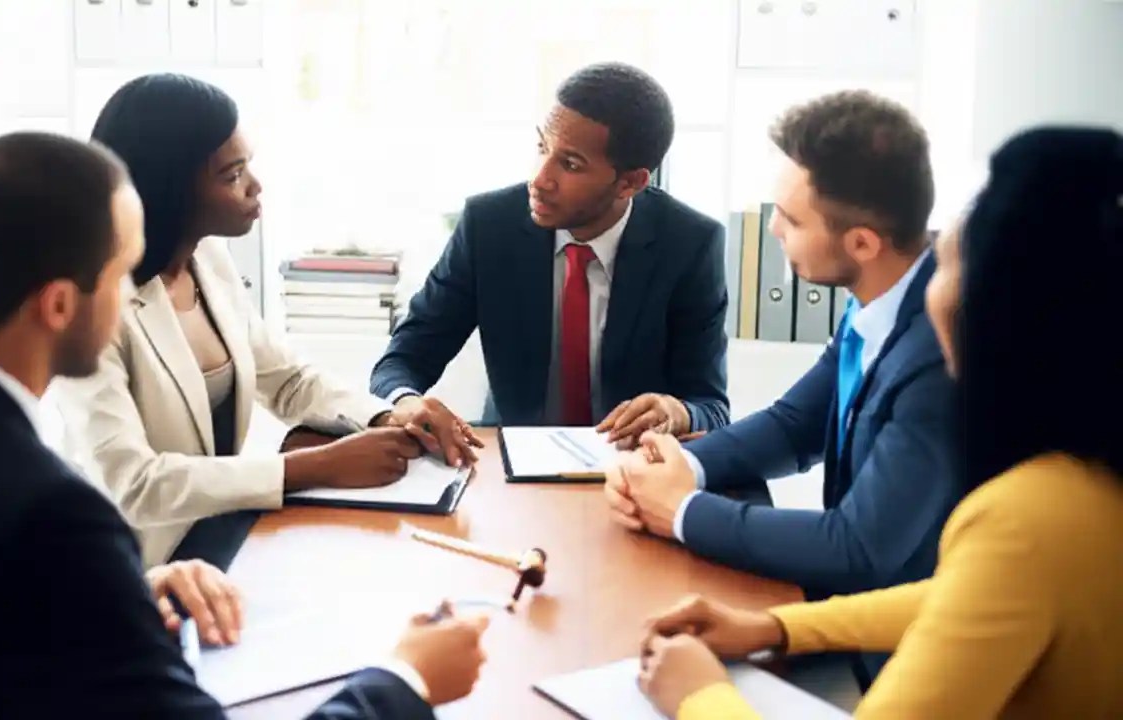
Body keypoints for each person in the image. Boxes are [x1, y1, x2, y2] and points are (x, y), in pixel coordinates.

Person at [0, 132, 490, 719]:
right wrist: (406, 678)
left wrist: (123, 591)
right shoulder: (55, 514)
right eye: (123, 272)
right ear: (62, 304)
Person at [635, 126, 1123, 719]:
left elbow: (897, 556)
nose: (929, 291)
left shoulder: (1027, 515)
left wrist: (699, 696)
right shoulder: (1084, 484)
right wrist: (776, 625)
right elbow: (962, 594)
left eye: (945, 267)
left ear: (1002, 314)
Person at [53, 73, 481, 570]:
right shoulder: (87, 304)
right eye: (232, 175)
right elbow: (132, 484)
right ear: (171, 188)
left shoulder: (206, 259)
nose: (256, 187)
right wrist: (313, 466)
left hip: (221, 535)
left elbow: (289, 380)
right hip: (136, 569)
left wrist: (387, 416)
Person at [605, 90, 958, 682]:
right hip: (849, 620)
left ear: (863, 243)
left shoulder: (939, 356)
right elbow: (796, 423)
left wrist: (683, 511)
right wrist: (678, 469)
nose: (772, 230)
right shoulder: (884, 300)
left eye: (792, 219)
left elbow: (859, 546)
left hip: (914, 663)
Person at [370, 62, 730, 444]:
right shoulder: (488, 226)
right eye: (542, 147)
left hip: (630, 470)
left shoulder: (690, 244)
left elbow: (712, 407)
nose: (539, 179)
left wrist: (679, 413)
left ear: (630, 182)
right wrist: (405, 401)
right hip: (510, 467)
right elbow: (403, 359)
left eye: (570, 164)